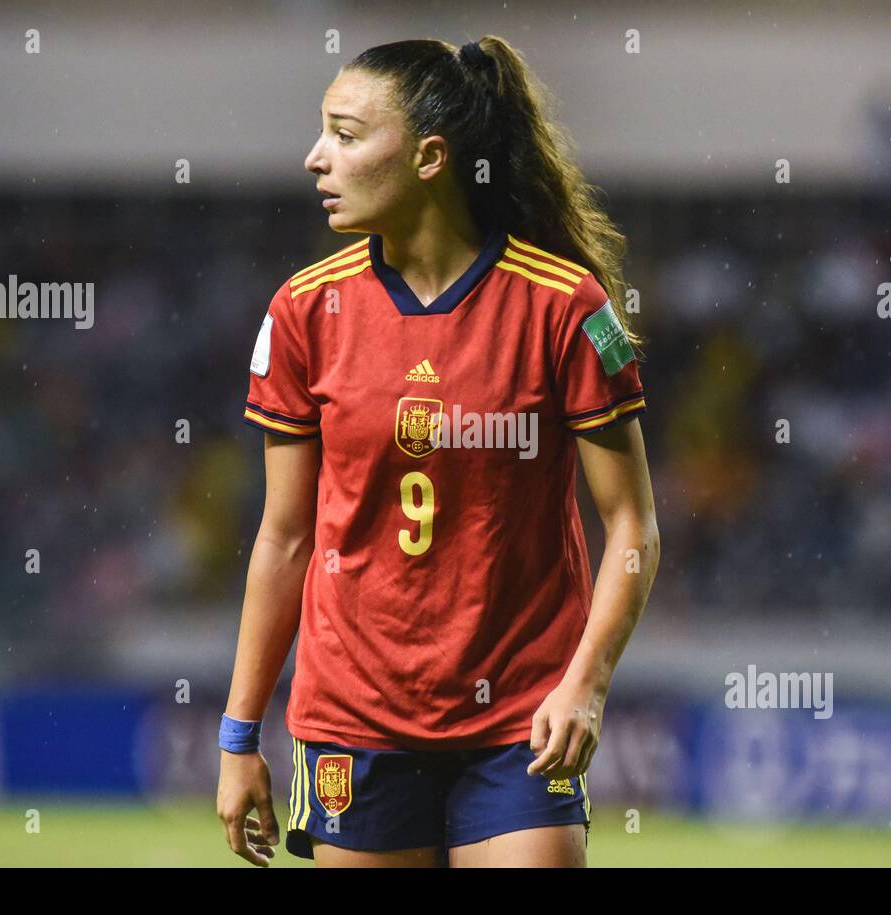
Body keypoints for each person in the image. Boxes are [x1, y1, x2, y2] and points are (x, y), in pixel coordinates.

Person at [216, 36, 659, 868]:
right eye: (323, 134)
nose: (315, 158)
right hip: (357, 717)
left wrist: (586, 685)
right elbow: (284, 537)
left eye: (345, 136)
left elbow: (632, 524)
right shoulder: (303, 313)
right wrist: (239, 735)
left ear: (429, 156)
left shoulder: (567, 308)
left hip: (522, 714)